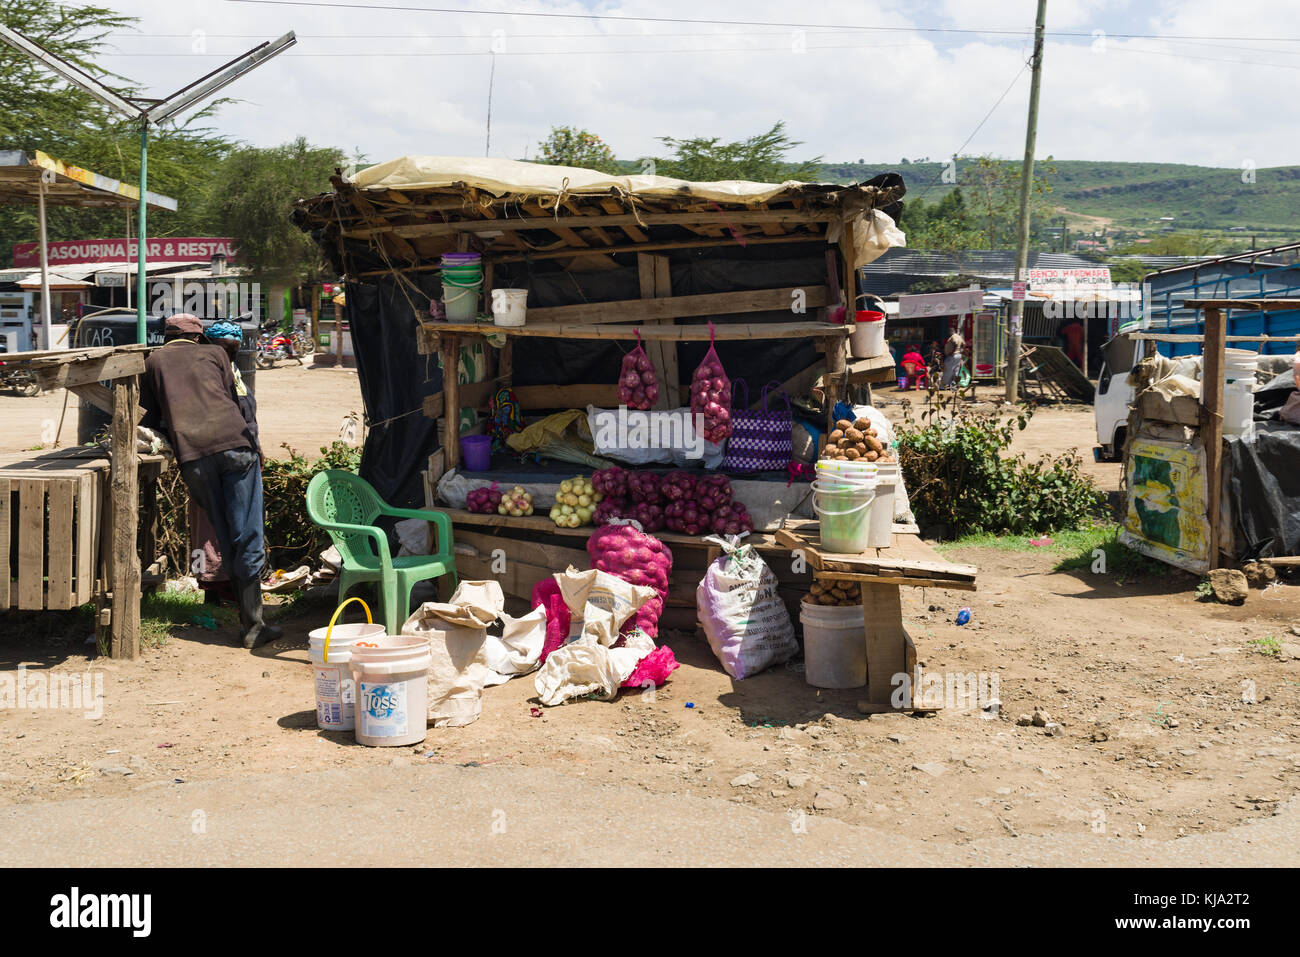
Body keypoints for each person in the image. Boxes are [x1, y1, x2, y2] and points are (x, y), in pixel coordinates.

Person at [140, 314, 281, 649]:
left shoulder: (152, 361)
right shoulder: (216, 354)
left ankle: (243, 615)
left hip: (194, 458)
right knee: (247, 533)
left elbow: (150, 416)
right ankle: (253, 625)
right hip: (235, 447)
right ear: (198, 336)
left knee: (221, 532)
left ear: (167, 336)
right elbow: (234, 401)